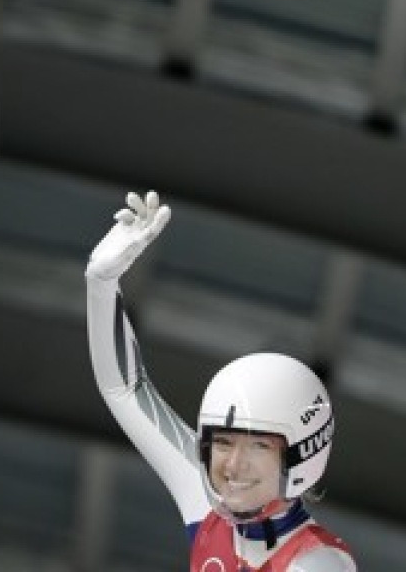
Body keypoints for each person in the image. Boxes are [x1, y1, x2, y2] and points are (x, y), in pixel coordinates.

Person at [85, 191, 356, 571]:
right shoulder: (207, 503)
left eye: (259, 446)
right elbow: (125, 390)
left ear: (302, 456)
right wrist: (101, 282)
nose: (233, 465)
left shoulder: (317, 564)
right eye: (222, 442)